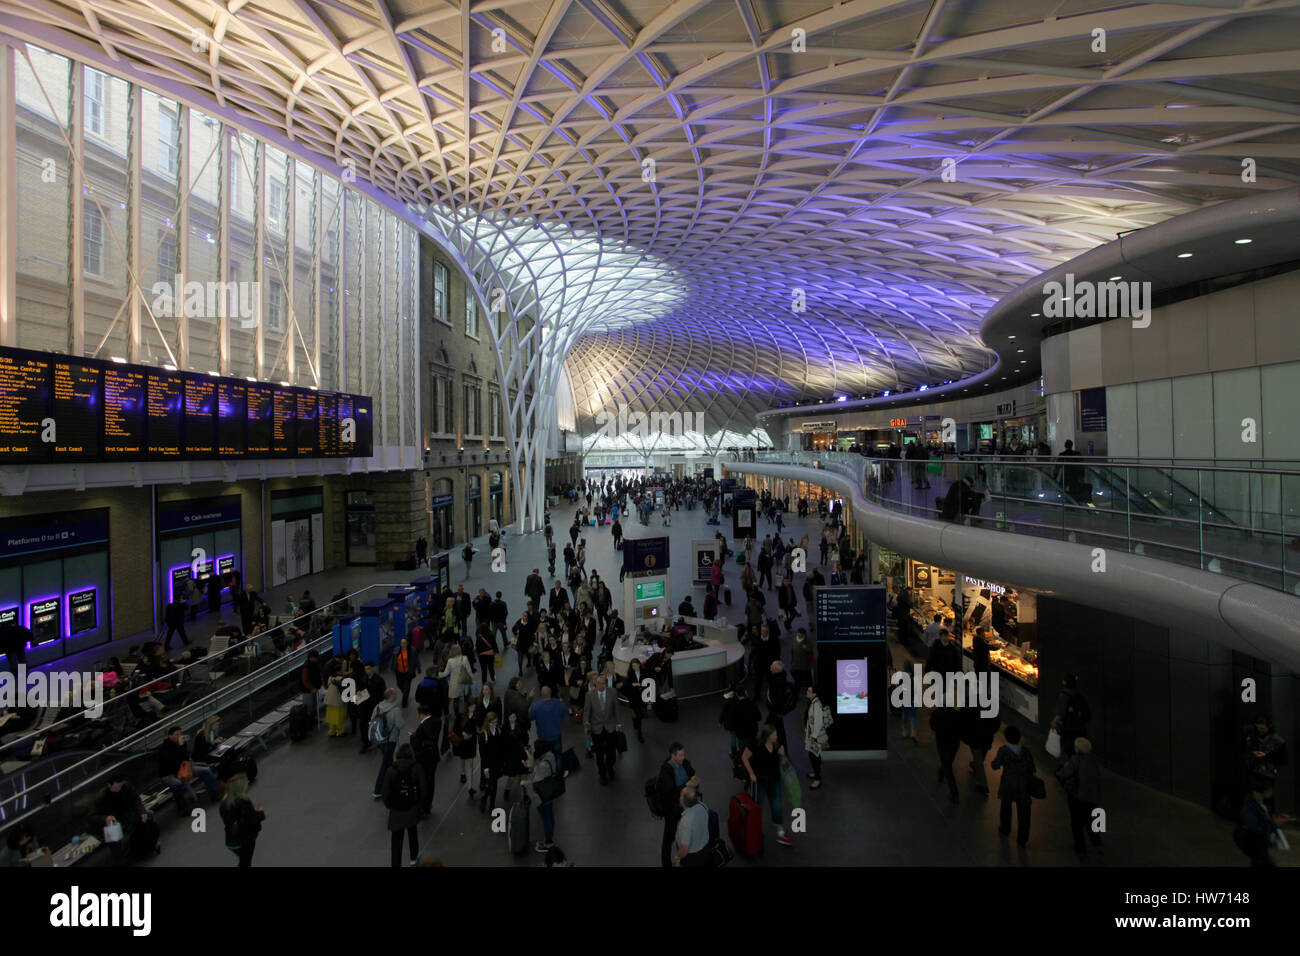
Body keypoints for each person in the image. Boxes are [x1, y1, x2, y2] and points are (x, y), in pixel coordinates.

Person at [741, 724, 793, 847]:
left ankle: (780, 834)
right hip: (760, 781)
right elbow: (744, 757)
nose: (776, 736)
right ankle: (755, 831)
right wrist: (751, 774)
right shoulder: (756, 744)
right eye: (774, 735)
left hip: (774, 780)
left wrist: (782, 754)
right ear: (767, 736)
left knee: (777, 806)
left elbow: (784, 763)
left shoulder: (777, 745)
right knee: (757, 806)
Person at [1055, 736, 1103, 856]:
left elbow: (1064, 774)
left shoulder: (1075, 760)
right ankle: (1097, 844)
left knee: (1077, 823)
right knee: (1091, 821)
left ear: (1078, 749)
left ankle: (1081, 848)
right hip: (1092, 797)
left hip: (1077, 796)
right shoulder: (1094, 761)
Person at [382, 743, 426, 867]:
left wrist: (390, 805)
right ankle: (413, 858)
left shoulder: (391, 770)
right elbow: (423, 788)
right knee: (413, 833)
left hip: (396, 810)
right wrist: (419, 805)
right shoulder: (416, 767)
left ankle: (396, 864)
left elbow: (385, 792)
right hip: (411, 808)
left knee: (396, 840)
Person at [991, 725, 1036, 847]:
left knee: (1006, 806)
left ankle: (1005, 828)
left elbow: (995, 765)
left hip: (1008, 783)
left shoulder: (1004, 750)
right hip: (1023, 785)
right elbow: (1032, 768)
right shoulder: (1026, 751)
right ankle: (1023, 837)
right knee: (1024, 812)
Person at [656, 742, 699, 867]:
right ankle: (666, 863)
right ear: (673, 756)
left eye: (683, 754)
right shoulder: (666, 770)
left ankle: (684, 855)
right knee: (669, 837)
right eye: (680, 755)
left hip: (685, 806)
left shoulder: (683, 763)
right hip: (672, 809)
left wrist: (693, 779)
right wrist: (687, 785)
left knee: (685, 832)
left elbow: (691, 772)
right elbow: (670, 793)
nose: (683, 757)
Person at [1236, 777, 1288, 867]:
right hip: (1255, 845)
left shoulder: (1262, 803)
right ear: (1258, 792)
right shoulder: (1248, 809)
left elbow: (1266, 818)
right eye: (1268, 790)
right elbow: (1257, 828)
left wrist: (1276, 818)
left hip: (1262, 846)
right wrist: (1274, 824)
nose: (1271, 792)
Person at [219, 774, 265, 867]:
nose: (247, 783)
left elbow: (230, 820)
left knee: (244, 862)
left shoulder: (224, 803)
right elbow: (252, 821)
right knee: (245, 863)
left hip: (231, 840)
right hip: (245, 840)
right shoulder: (244, 802)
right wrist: (260, 813)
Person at [583, 674, 621, 784]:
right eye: (598, 683)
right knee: (599, 754)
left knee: (611, 753)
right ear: (595, 683)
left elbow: (616, 709)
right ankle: (602, 774)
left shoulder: (613, 692)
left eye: (603, 683)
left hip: (610, 726)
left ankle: (610, 767)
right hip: (596, 728)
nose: (600, 685)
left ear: (606, 684)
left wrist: (618, 724)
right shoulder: (589, 695)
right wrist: (586, 726)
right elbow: (587, 712)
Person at [527, 738, 560, 854]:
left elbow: (535, 780)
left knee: (546, 818)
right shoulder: (550, 756)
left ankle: (549, 843)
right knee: (549, 816)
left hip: (543, 795)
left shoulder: (543, 765)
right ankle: (549, 841)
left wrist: (525, 782)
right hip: (550, 792)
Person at [369, 689, 403, 798]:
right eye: (395, 693)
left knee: (389, 762)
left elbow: (372, 719)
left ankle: (394, 784)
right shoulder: (395, 710)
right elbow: (400, 724)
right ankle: (378, 789)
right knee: (385, 765)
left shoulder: (378, 707)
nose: (396, 695)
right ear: (391, 697)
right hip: (390, 739)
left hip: (380, 739)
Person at [410, 705, 442, 817]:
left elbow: (416, 744)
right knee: (431, 781)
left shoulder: (423, 726)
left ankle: (423, 806)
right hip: (434, 756)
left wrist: (413, 737)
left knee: (423, 782)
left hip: (424, 758)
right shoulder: (437, 721)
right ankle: (428, 804)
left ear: (421, 714)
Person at [1052, 673, 1090, 759]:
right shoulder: (1078, 695)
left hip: (1068, 728)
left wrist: (1054, 722)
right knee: (1078, 749)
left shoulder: (1064, 695)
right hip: (1079, 727)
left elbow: (1060, 713)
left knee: (1068, 749)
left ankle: (1070, 766)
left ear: (1064, 682)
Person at [673, 787, 712, 866]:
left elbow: (685, 848)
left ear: (683, 801)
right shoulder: (702, 806)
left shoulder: (686, 822)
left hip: (692, 857)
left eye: (680, 796)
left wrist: (677, 857)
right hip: (704, 847)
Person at [451, 699, 482, 796]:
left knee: (470, 764)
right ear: (467, 707)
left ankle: (470, 787)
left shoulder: (477, 717)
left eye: (474, 706)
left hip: (471, 743)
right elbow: (455, 728)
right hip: (462, 742)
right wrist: (462, 733)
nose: (473, 708)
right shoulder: (461, 716)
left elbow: (478, 729)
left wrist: (472, 735)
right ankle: (462, 772)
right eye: (471, 706)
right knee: (462, 759)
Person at [931, 706, 961, 803]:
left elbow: (933, 726)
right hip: (954, 743)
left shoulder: (936, 713)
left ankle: (954, 793)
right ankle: (941, 771)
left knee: (947, 767)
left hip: (942, 742)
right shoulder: (957, 714)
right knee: (948, 762)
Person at [803, 685, 829, 789]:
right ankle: (816, 773)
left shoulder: (816, 705)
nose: (807, 692)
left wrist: (813, 736)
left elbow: (818, 722)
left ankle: (817, 779)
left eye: (809, 691)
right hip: (813, 735)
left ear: (814, 694)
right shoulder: (812, 703)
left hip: (815, 736)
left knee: (814, 756)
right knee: (813, 755)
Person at [620, 657, 648, 742]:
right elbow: (625, 686)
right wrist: (632, 685)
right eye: (633, 666)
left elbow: (648, 682)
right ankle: (640, 734)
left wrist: (643, 686)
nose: (634, 667)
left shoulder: (644, 672)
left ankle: (635, 720)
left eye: (636, 665)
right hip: (635, 698)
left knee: (642, 715)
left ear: (639, 665)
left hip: (643, 696)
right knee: (640, 716)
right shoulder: (630, 674)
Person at [323, 671, 348, 737]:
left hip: (329, 701)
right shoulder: (342, 681)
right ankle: (340, 732)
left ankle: (332, 731)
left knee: (332, 718)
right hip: (338, 702)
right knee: (340, 717)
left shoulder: (330, 679)